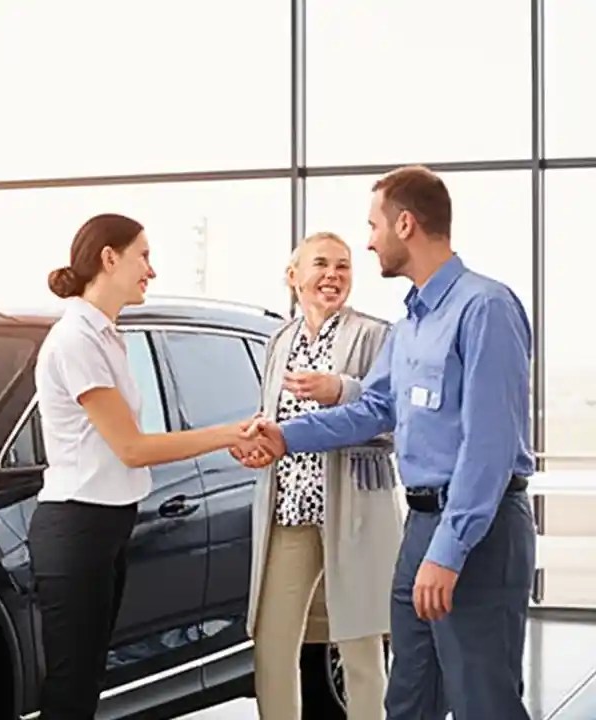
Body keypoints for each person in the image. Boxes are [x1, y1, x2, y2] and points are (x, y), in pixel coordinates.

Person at [235, 165, 536, 720]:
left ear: (405, 223)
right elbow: (374, 410)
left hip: (479, 530)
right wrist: (285, 435)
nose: (368, 241)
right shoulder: (413, 322)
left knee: (481, 699)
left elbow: (488, 447)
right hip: (421, 526)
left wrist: (449, 551)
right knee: (408, 699)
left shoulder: (485, 308)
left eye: (373, 227)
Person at [29, 213, 260, 720]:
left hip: (108, 522)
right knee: (71, 686)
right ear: (109, 258)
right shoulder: (76, 340)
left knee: (88, 678)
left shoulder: (108, 336)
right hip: (77, 525)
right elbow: (131, 448)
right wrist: (228, 433)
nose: (151, 271)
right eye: (144, 256)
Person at [248, 231, 402, 720]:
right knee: (272, 643)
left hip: (351, 511)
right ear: (293, 277)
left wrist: (342, 389)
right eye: (321, 264)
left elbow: (394, 419)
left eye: (343, 266)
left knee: (359, 645)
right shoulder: (278, 342)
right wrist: (255, 441)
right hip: (290, 511)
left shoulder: (376, 335)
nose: (332, 276)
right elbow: (270, 415)